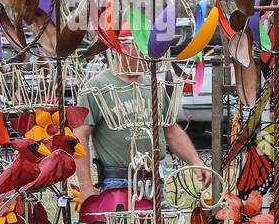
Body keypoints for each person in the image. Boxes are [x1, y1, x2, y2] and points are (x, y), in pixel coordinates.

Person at [74, 38, 207, 206]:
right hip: (116, 182)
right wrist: (85, 185)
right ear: (122, 46)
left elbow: (171, 132)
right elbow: (79, 136)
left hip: (153, 181)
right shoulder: (96, 87)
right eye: (142, 47)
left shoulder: (154, 85)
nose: (148, 54)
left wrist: (196, 161)